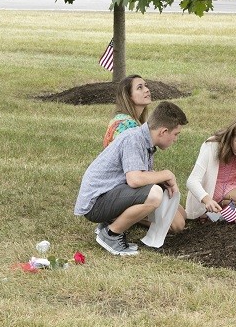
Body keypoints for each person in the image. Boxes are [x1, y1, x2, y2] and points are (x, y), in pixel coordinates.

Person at [75, 101, 190, 255]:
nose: (175, 139)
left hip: (107, 195)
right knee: (154, 195)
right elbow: (134, 180)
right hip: (96, 203)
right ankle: (111, 234)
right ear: (163, 131)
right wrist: (166, 174)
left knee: (178, 212)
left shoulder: (143, 140)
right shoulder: (134, 139)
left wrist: (160, 179)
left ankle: (111, 222)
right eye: (175, 134)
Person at [102, 74, 153, 147]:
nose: (147, 90)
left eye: (146, 86)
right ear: (128, 96)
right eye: (139, 88)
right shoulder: (129, 125)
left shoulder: (120, 119)